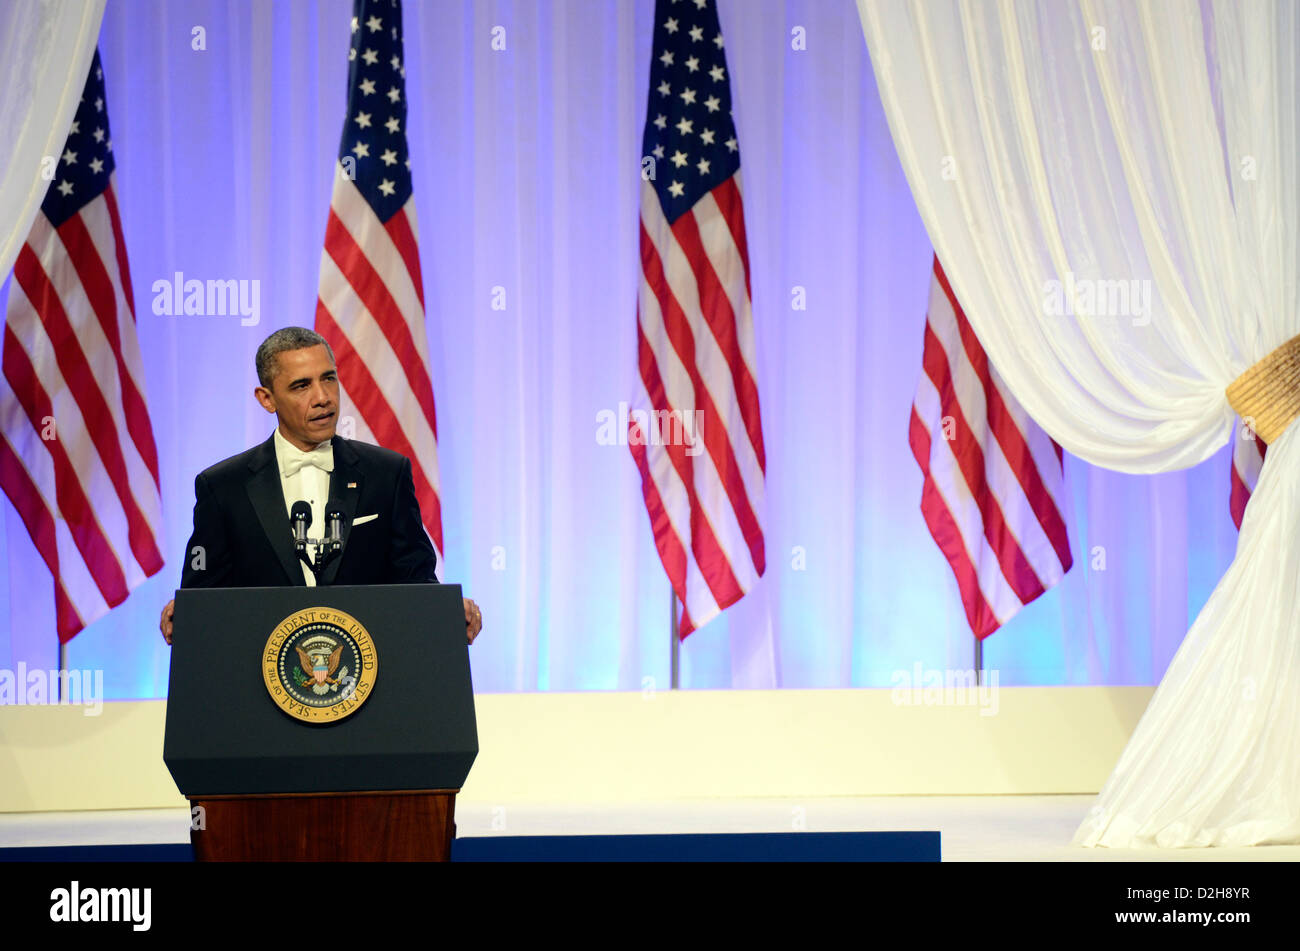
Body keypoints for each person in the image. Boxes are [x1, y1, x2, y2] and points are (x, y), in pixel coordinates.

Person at [158, 326, 481, 644]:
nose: (323, 398)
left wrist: (444, 609)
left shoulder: (386, 473)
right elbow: (205, 590)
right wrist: (188, 610)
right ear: (267, 399)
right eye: (301, 386)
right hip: (260, 674)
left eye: (328, 378)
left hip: (370, 670)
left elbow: (415, 578)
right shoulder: (224, 486)